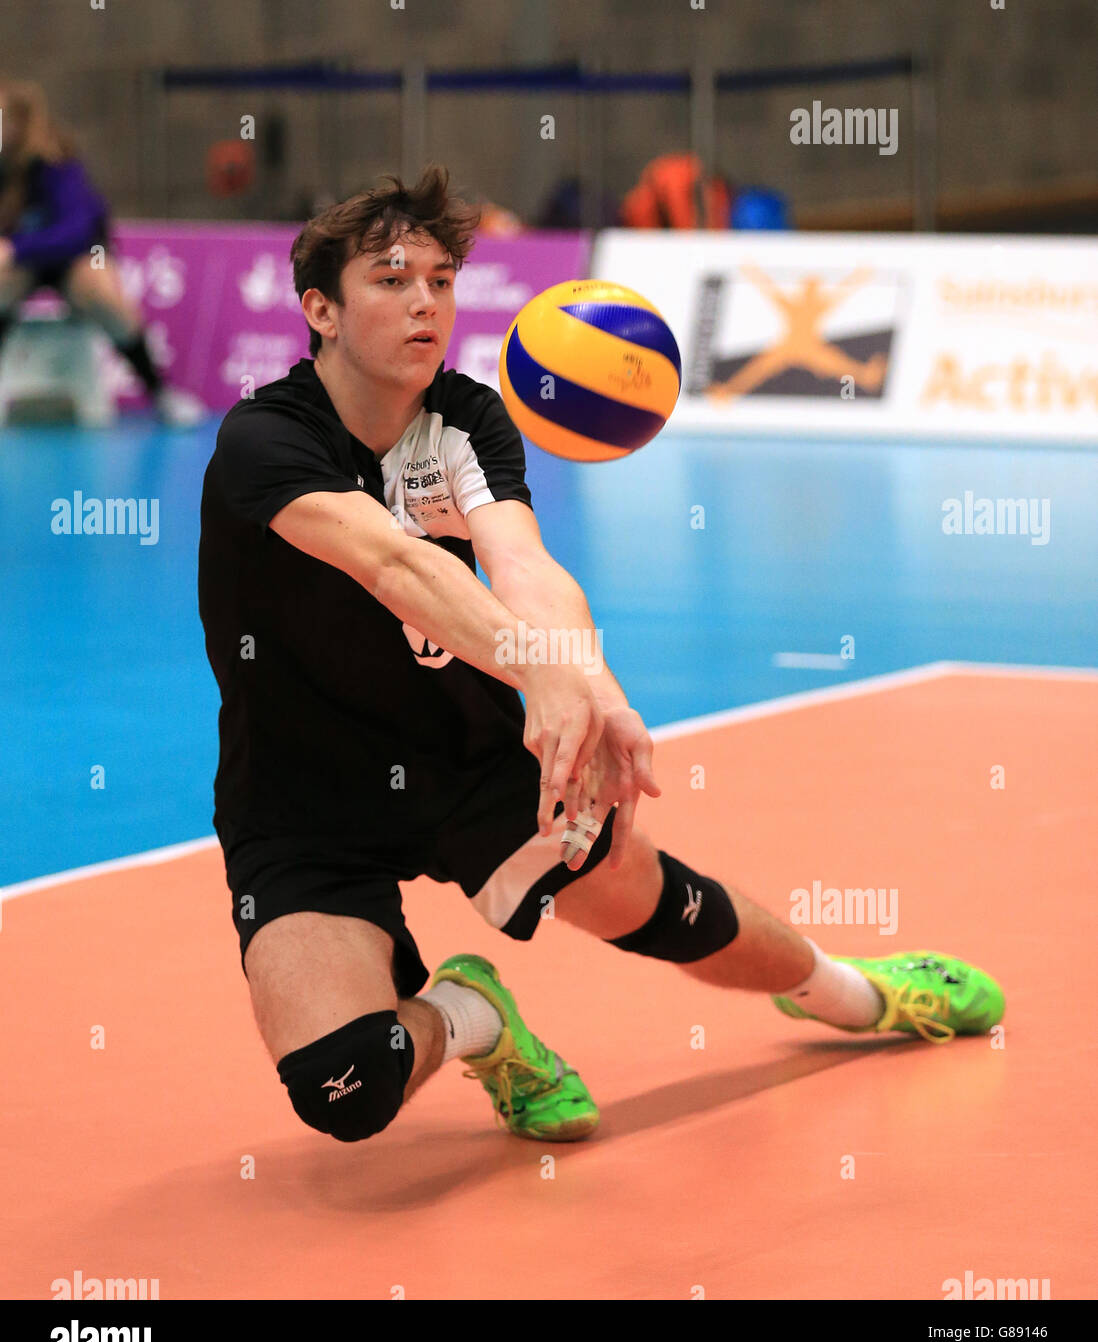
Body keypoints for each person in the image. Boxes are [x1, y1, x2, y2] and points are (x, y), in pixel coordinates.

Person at [197, 164, 1004, 1148]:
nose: (426, 303)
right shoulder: (263, 438)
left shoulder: (465, 420)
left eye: (443, 281)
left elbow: (523, 564)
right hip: (301, 794)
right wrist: (541, 672)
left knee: (658, 903)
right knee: (345, 1087)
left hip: (470, 754)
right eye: (394, 279)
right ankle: (475, 1015)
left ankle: (854, 991)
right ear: (320, 308)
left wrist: (595, 684)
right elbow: (395, 562)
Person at [0, 78, 203, 426]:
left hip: (74, 258)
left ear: (19, 121)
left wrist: (16, 247)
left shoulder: (57, 160)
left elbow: (76, 231)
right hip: (22, 269)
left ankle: (159, 392)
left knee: (102, 292)